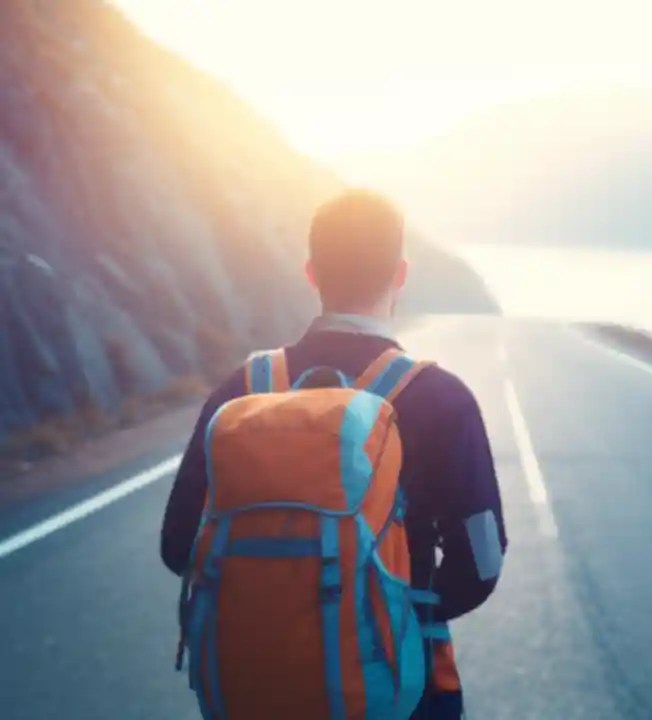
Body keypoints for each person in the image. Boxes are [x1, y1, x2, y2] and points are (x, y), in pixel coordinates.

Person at [160, 189, 505, 719]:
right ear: (400, 273)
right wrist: (386, 615)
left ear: (312, 272)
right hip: (398, 691)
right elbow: (481, 564)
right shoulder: (440, 397)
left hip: (253, 690)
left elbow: (178, 544)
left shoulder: (245, 388)